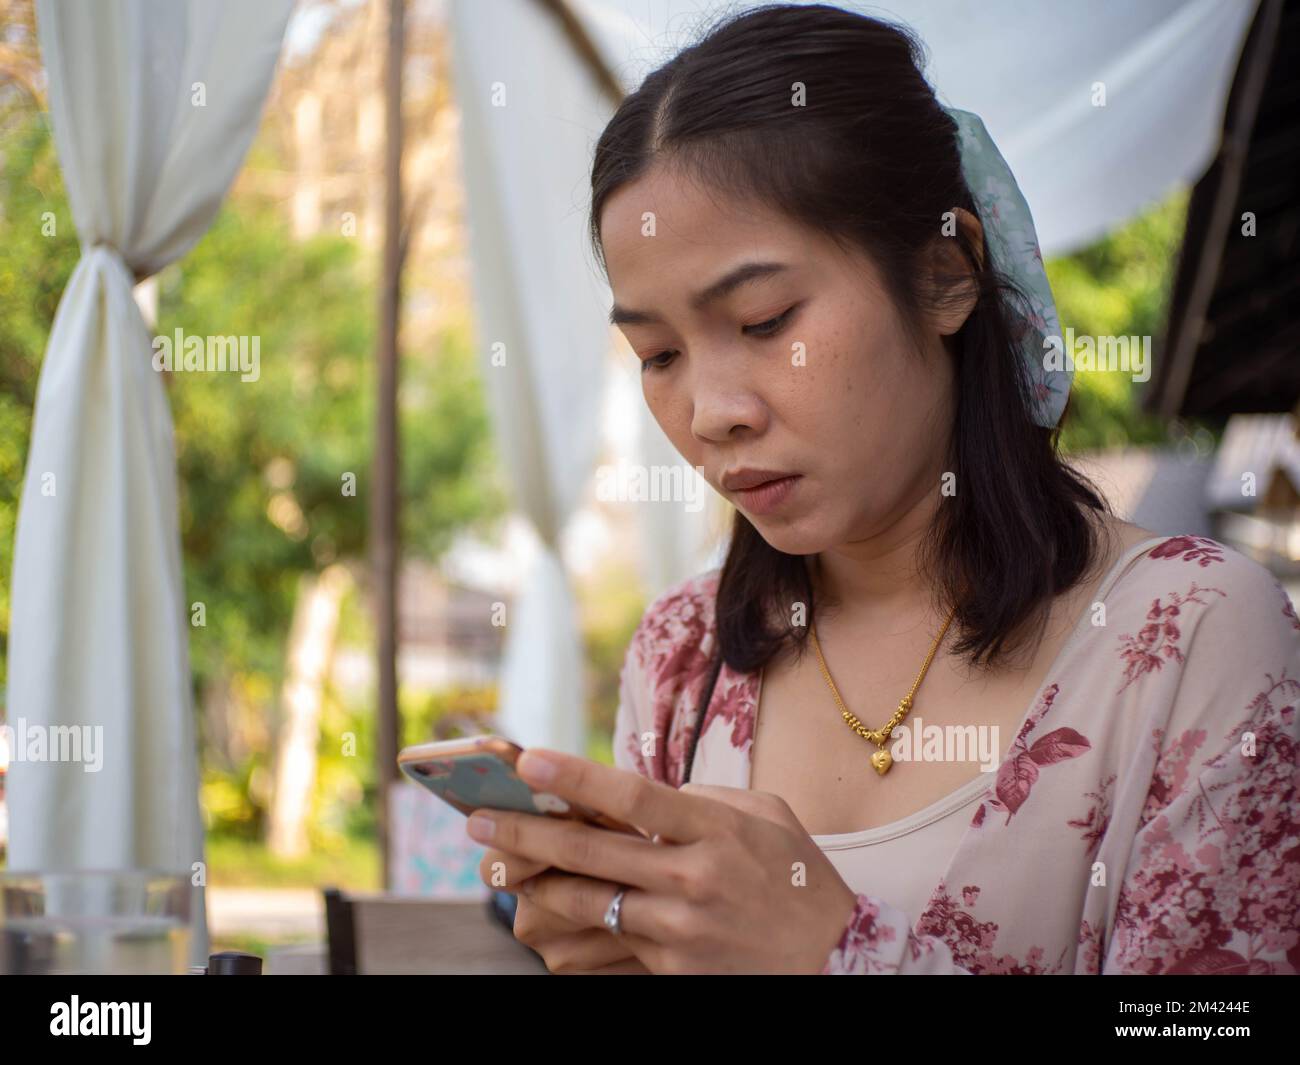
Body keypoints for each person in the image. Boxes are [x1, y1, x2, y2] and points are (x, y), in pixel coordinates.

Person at [469, 2, 1300, 974]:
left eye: (765, 318)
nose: (708, 410)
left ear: (945, 277)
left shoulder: (1194, 636)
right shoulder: (683, 657)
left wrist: (833, 957)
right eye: (657, 353)